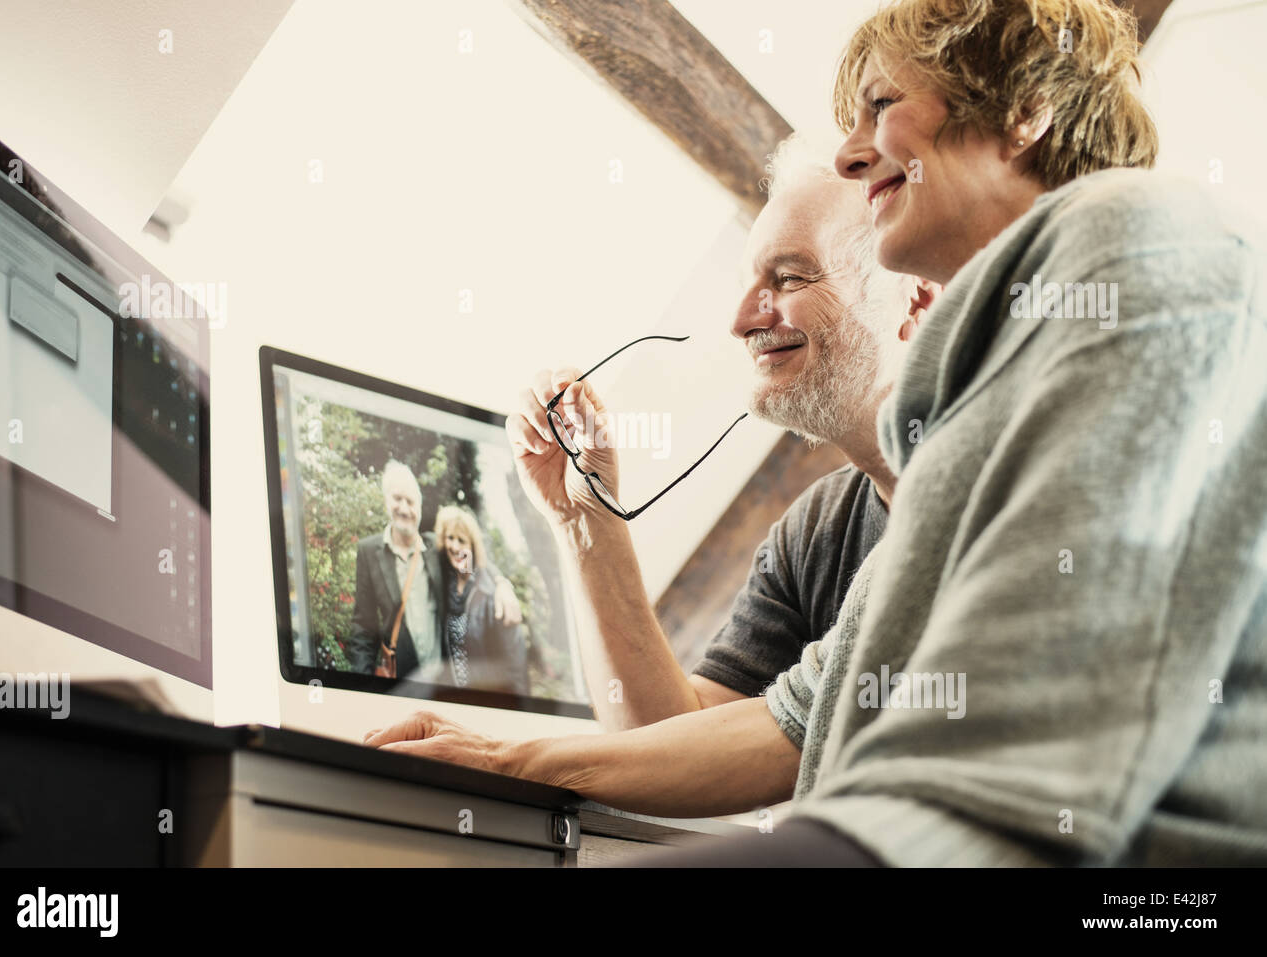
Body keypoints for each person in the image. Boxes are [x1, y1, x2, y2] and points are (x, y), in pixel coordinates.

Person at [369, 0, 1267, 867]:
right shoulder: (931, 470)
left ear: (1027, 110)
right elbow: (785, 722)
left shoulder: (1141, 240)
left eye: (881, 105)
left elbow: (1010, 782)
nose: (850, 150)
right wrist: (507, 756)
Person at [509, 131, 937, 731]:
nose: (740, 322)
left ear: (914, 300)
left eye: (787, 278)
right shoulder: (815, 531)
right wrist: (585, 518)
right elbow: (667, 744)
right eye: (746, 284)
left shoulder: (1017, 479)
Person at [345, 460, 522, 676]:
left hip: (443, 676)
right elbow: (363, 626)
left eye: (411, 502)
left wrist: (502, 583)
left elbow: (472, 560)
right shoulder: (368, 552)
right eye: (397, 499)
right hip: (404, 677)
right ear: (386, 502)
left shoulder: (435, 547)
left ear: (419, 508)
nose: (404, 508)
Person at [433, 504, 530, 695]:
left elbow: (515, 663)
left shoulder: (492, 595)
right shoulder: (445, 582)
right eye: (450, 538)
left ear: (473, 547)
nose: (454, 546)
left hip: (488, 698)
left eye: (462, 540)